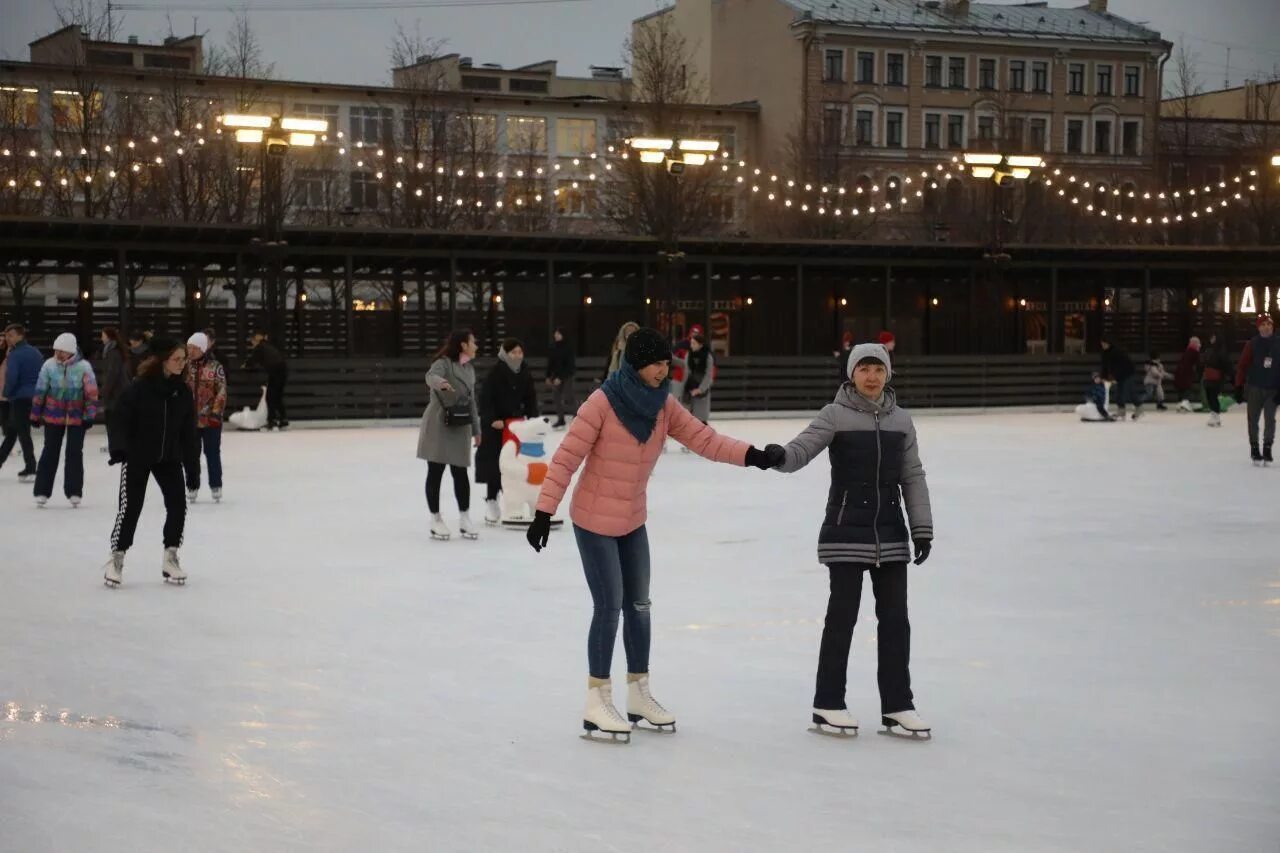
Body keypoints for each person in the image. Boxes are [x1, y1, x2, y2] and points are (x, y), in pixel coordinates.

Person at [524, 327, 783, 743]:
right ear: (637, 363)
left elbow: (704, 438)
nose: (665, 370)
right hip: (593, 522)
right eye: (657, 363)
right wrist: (543, 513)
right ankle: (596, 699)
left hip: (631, 520)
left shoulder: (662, 405)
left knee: (640, 605)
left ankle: (638, 693)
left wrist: (753, 457)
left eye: (667, 363)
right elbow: (566, 457)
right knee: (609, 607)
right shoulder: (602, 403)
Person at [770, 343, 934, 737]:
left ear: (888, 373)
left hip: (890, 534)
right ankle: (828, 703)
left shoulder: (902, 421)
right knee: (841, 620)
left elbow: (913, 475)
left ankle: (898, 705)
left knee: (896, 622)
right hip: (845, 531)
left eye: (878, 369)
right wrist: (777, 456)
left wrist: (921, 528)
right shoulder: (835, 414)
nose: (872, 376)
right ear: (851, 373)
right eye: (864, 369)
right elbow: (801, 450)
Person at [103, 339, 198, 587]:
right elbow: (119, 418)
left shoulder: (182, 392)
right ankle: (117, 557)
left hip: (169, 458)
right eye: (177, 358)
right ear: (163, 360)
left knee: (178, 505)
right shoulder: (140, 388)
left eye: (184, 359)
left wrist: (193, 469)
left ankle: (171, 556)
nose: (182, 363)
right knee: (131, 507)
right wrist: (119, 448)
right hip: (138, 455)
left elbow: (189, 433)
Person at [417, 329, 482, 541]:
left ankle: (465, 517)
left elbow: (472, 401)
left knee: (460, 472)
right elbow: (430, 376)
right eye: (473, 342)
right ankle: (435, 518)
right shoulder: (444, 363)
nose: (476, 346)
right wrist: (441, 383)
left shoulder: (469, 369)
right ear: (463, 345)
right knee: (436, 471)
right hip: (439, 422)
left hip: (461, 423)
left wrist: (477, 430)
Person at [31, 333, 99, 507]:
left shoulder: (84, 367)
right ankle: (42, 491)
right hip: (54, 415)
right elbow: (40, 391)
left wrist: (89, 415)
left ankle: (74, 491)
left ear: (70, 351)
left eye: (61, 351)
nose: (58, 354)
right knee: (49, 452)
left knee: (74, 453)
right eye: (56, 350)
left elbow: (91, 394)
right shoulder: (49, 365)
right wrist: (35, 414)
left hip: (77, 417)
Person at [476, 337, 539, 525]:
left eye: (520, 352)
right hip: (497, 427)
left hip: (517, 427)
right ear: (505, 353)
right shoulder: (495, 372)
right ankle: (492, 501)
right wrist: (492, 419)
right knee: (496, 465)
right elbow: (485, 398)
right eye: (513, 352)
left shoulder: (525, 372)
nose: (517, 356)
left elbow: (531, 397)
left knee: (517, 466)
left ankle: (515, 502)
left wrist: (533, 419)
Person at [183, 332, 228, 503]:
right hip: (189, 421)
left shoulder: (215, 367)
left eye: (194, 348)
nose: (190, 351)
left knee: (212, 453)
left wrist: (216, 413)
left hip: (211, 420)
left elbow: (221, 391)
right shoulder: (184, 366)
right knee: (191, 455)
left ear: (202, 348)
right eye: (188, 348)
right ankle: (192, 486)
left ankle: (216, 485)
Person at [1234, 314, 1280, 465]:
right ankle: (1255, 448)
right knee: (1253, 419)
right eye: (1264, 324)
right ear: (1259, 327)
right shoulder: (1252, 344)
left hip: (1273, 389)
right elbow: (1242, 365)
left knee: (1270, 419)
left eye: (1269, 324)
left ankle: (1267, 447)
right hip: (1255, 387)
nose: (1267, 327)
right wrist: (1239, 386)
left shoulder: (1278, 344)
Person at [0, 324, 40, 481]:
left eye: (11, 335)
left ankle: (31, 467)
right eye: (7, 335)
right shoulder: (35, 352)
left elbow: (12, 377)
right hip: (33, 396)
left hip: (20, 398)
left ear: (20, 336)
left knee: (22, 433)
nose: (8, 338)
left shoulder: (15, 355)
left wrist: (6, 394)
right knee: (13, 432)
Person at [243, 330, 288, 429]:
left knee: (270, 397)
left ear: (256, 339)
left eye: (252, 341)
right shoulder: (268, 346)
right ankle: (283, 419)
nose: (252, 343)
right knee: (277, 397)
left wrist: (245, 365)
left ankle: (272, 420)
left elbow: (252, 360)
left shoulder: (260, 347)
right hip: (282, 371)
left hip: (275, 371)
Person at [671, 331, 715, 424]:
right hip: (688, 389)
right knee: (687, 419)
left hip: (701, 393)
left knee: (700, 421)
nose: (691, 345)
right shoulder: (688, 355)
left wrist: (700, 389)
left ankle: (705, 437)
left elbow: (708, 376)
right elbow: (686, 369)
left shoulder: (708, 357)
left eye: (694, 343)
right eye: (691, 343)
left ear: (700, 345)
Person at [97, 327, 130, 452]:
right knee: (115, 421)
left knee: (113, 421)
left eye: (103, 335)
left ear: (109, 337)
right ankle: (117, 446)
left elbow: (112, 373)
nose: (101, 338)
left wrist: (104, 391)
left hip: (116, 394)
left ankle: (117, 447)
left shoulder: (113, 352)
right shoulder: (113, 351)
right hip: (117, 392)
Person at [1100, 340, 1142, 421]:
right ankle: (1121, 410)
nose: (1103, 345)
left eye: (1104, 344)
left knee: (1129, 391)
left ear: (1109, 343)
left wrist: (1115, 377)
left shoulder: (1117, 352)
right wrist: (1103, 377)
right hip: (1119, 373)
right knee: (1119, 392)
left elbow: (1122, 365)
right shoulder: (1105, 353)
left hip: (1127, 372)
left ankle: (1139, 407)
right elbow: (1104, 366)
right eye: (1102, 344)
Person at [546, 327, 577, 429]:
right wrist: (548, 376)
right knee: (556, 397)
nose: (556, 335)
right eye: (555, 333)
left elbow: (569, 365)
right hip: (556, 376)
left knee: (569, 397)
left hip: (567, 376)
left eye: (558, 333)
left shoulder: (568, 347)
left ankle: (578, 417)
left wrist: (561, 377)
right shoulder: (553, 347)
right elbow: (550, 363)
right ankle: (561, 419)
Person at [1200, 333, 1232, 429]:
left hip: (1217, 377)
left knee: (1214, 396)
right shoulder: (1208, 350)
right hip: (1208, 376)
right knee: (1209, 396)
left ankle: (1216, 416)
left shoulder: (1221, 351)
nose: (1212, 339)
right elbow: (1203, 361)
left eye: (1214, 338)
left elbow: (1226, 364)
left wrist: (1227, 375)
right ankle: (1213, 414)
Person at [1173, 336, 1201, 413]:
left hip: (1179, 372)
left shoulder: (1187, 351)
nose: (1199, 345)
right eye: (1198, 343)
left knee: (1181, 388)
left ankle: (1179, 404)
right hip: (1186, 373)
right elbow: (1199, 364)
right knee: (1186, 388)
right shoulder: (1195, 352)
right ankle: (1184, 404)